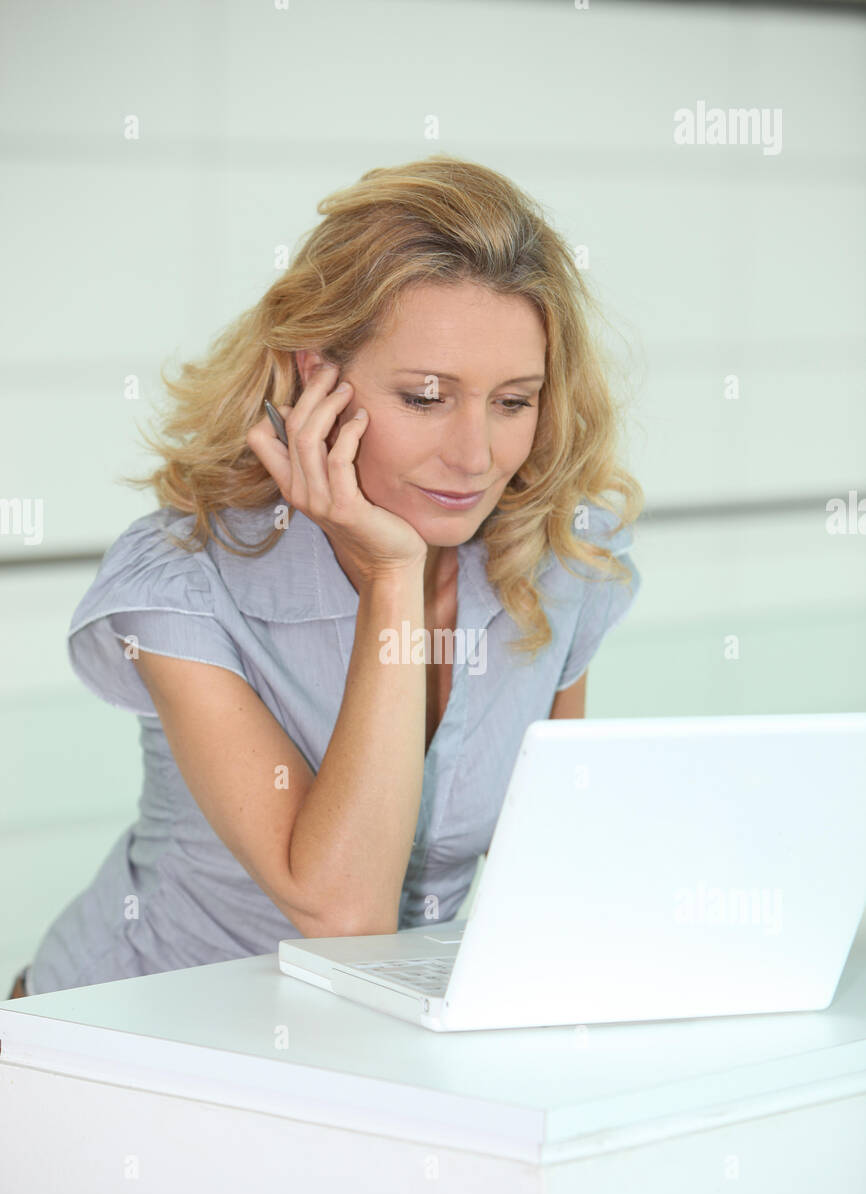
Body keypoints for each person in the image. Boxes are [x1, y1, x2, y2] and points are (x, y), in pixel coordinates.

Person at [11, 154, 643, 999]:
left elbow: (552, 863)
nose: (475, 455)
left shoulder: (560, 564)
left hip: (368, 1055)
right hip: (132, 1037)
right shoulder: (185, 581)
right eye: (425, 396)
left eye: (513, 401)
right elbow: (343, 914)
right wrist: (392, 578)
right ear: (317, 377)